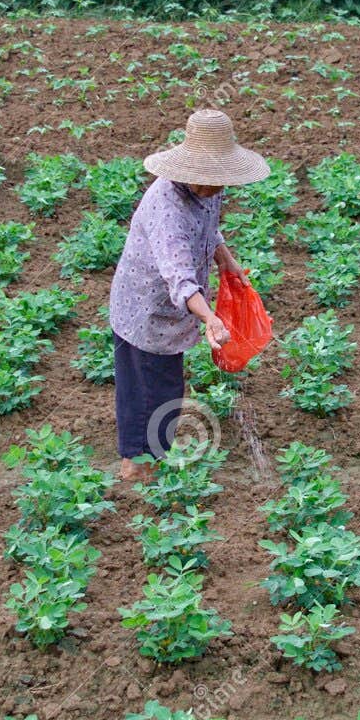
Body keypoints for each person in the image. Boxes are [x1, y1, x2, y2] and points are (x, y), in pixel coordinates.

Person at [108, 109, 269, 482]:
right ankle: (136, 467)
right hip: (145, 310)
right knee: (146, 388)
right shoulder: (167, 205)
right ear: (192, 170)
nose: (219, 188)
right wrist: (210, 318)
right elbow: (179, 277)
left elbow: (210, 230)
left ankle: (151, 456)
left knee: (165, 385)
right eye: (213, 179)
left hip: (172, 309)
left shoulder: (207, 189)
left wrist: (228, 264)